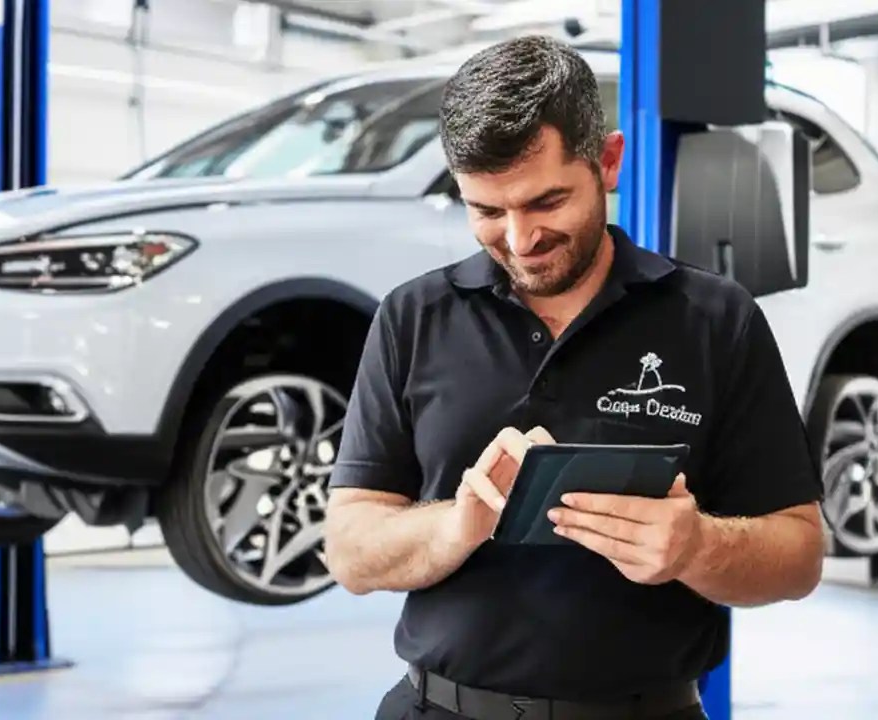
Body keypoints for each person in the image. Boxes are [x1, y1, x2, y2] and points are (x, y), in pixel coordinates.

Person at [322, 35, 825, 720]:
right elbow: (351, 552)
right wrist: (456, 527)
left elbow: (798, 554)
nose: (520, 240)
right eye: (488, 212)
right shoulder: (414, 318)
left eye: (546, 202)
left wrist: (696, 546)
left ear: (607, 161)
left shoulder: (713, 319)